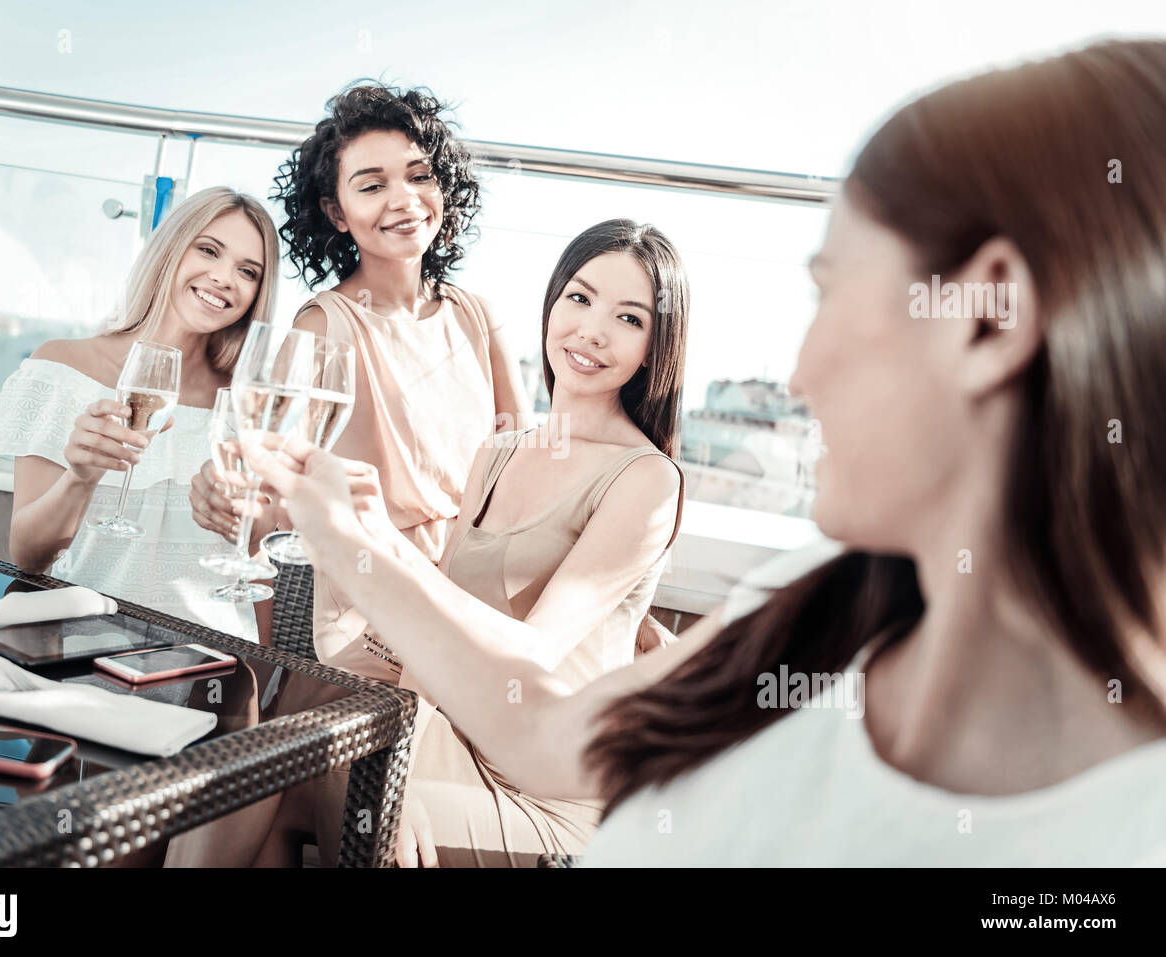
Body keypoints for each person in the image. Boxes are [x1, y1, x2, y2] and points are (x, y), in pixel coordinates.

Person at [246, 40, 1166, 865]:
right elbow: (550, 727)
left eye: (833, 292)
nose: (798, 378)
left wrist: (366, 550)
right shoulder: (806, 602)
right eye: (578, 300)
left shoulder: (1116, 825)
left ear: (986, 317)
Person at [171, 218, 688, 868]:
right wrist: (401, 749)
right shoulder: (499, 450)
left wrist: (394, 762)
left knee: (292, 777)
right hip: (446, 735)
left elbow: (531, 651)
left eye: (629, 318)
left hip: (540, 786)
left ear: (654, 346)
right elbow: (431, 637)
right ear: (553, 302)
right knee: (247, 765)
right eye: (579, 298)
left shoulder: (646, 480)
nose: (591, 329)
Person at [188, 83, 530, 666]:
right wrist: (228, 497)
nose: (403, 200)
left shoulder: (478, 315)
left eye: (419, 176)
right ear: (336, 213)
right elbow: (286, 500)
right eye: (372, 186)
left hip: (479, 592)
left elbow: (524, 471)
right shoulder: (323, 325)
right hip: (378, 604)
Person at [0, 187, 279, 641]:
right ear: (169, 251)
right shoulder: (61, 370)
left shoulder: (248, 401)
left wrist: (265, 675)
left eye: (248, 271)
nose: (225, 278)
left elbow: (255, 564)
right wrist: (79, 478)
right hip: (78, 643)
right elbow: (29, 556)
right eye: (208, 250)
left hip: (214, 661)